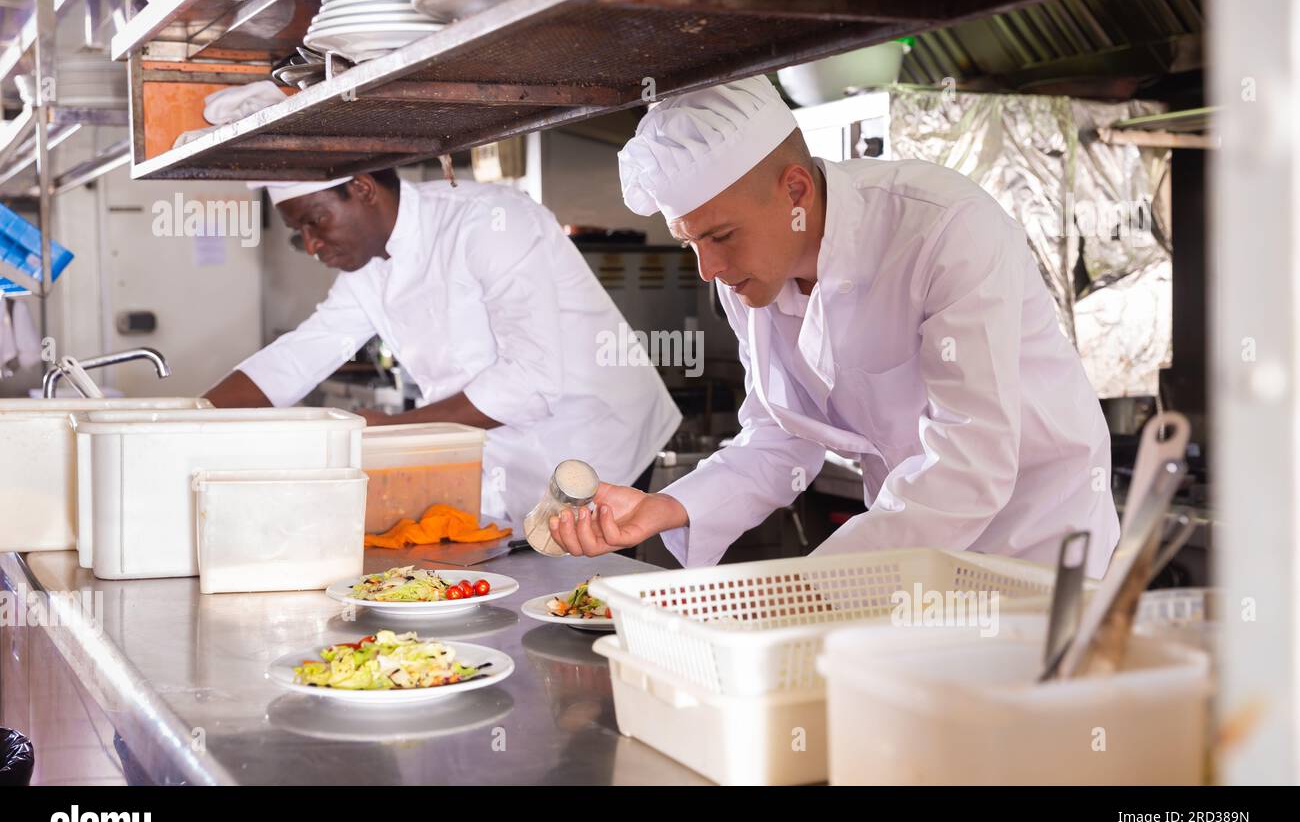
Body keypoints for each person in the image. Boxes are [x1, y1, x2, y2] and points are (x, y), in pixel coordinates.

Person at [548, 76, 1119, 577]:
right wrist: (664, 508)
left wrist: (811, 585)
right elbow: (780, 435)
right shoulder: (750, 282)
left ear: (794, 190)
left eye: (720, 237)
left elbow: (971, 464)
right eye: (690, 243)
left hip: (1039, 550)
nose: (710, 270)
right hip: (909, 555)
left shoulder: (944, 231)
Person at [204, 169, 681, 527]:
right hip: (507, 457)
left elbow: (528, 383)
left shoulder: (488, 222)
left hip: (598, 449)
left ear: (364, 189)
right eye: (298, 232)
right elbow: (299, 355)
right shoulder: (367, 267)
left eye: (315, 221)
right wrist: (192, 419)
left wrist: (391, 430)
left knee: (580, 612)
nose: (310, 244)